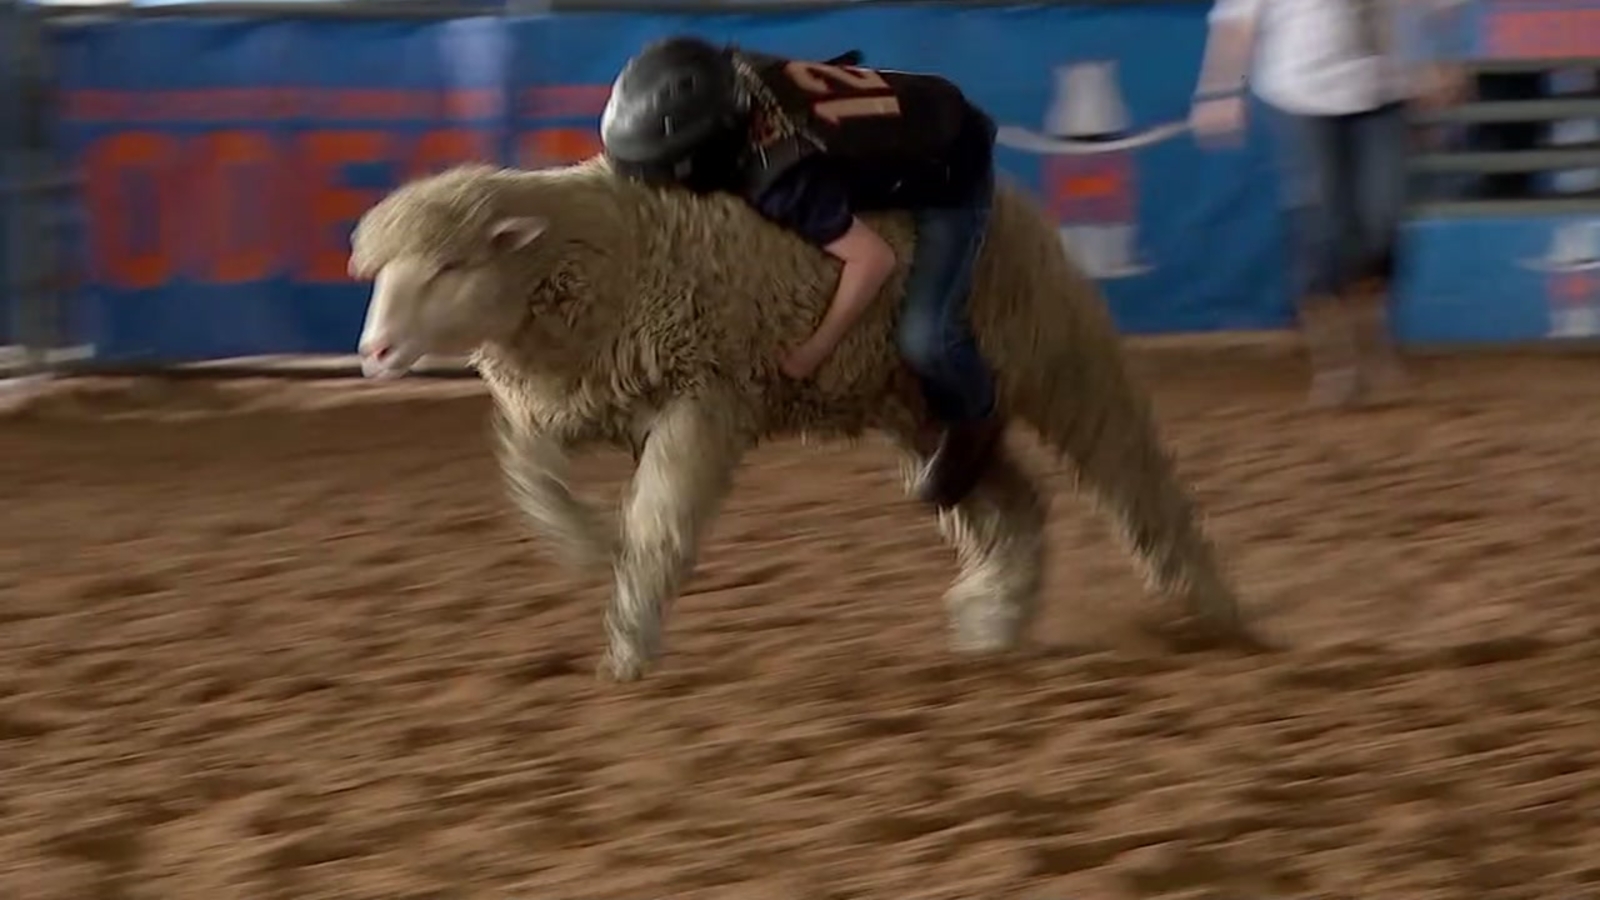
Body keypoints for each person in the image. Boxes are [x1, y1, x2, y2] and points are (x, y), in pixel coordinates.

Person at [598, 36, 1003, 510]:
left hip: (954, 161)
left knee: (927, 339)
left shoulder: (782, 180)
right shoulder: (737, 70)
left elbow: (872, 260)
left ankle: (977, 417)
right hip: (916, 108)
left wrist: (812, 352)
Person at [1189, 0, 1466, 408]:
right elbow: (1237, 22)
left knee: (1381, 222)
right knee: (1322, 226)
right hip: (1303, 97)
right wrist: (1221, 89)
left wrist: (1441, 58)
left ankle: (1373, 345)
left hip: (1384, 92)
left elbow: (1433, 8)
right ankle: (1335, 363)